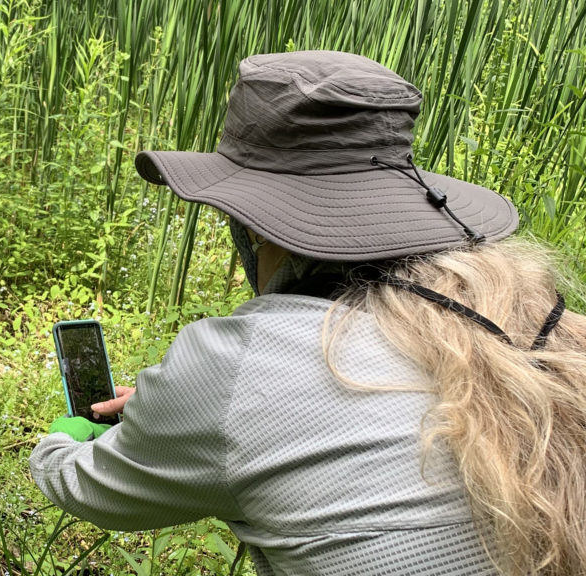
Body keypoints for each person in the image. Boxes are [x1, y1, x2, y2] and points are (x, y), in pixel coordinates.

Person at [29, 51, 586, 576]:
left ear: (249, 221)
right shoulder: (533, 317)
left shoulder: (239, 359)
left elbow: (93, 488)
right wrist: (172, 412)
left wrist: (61, 441)